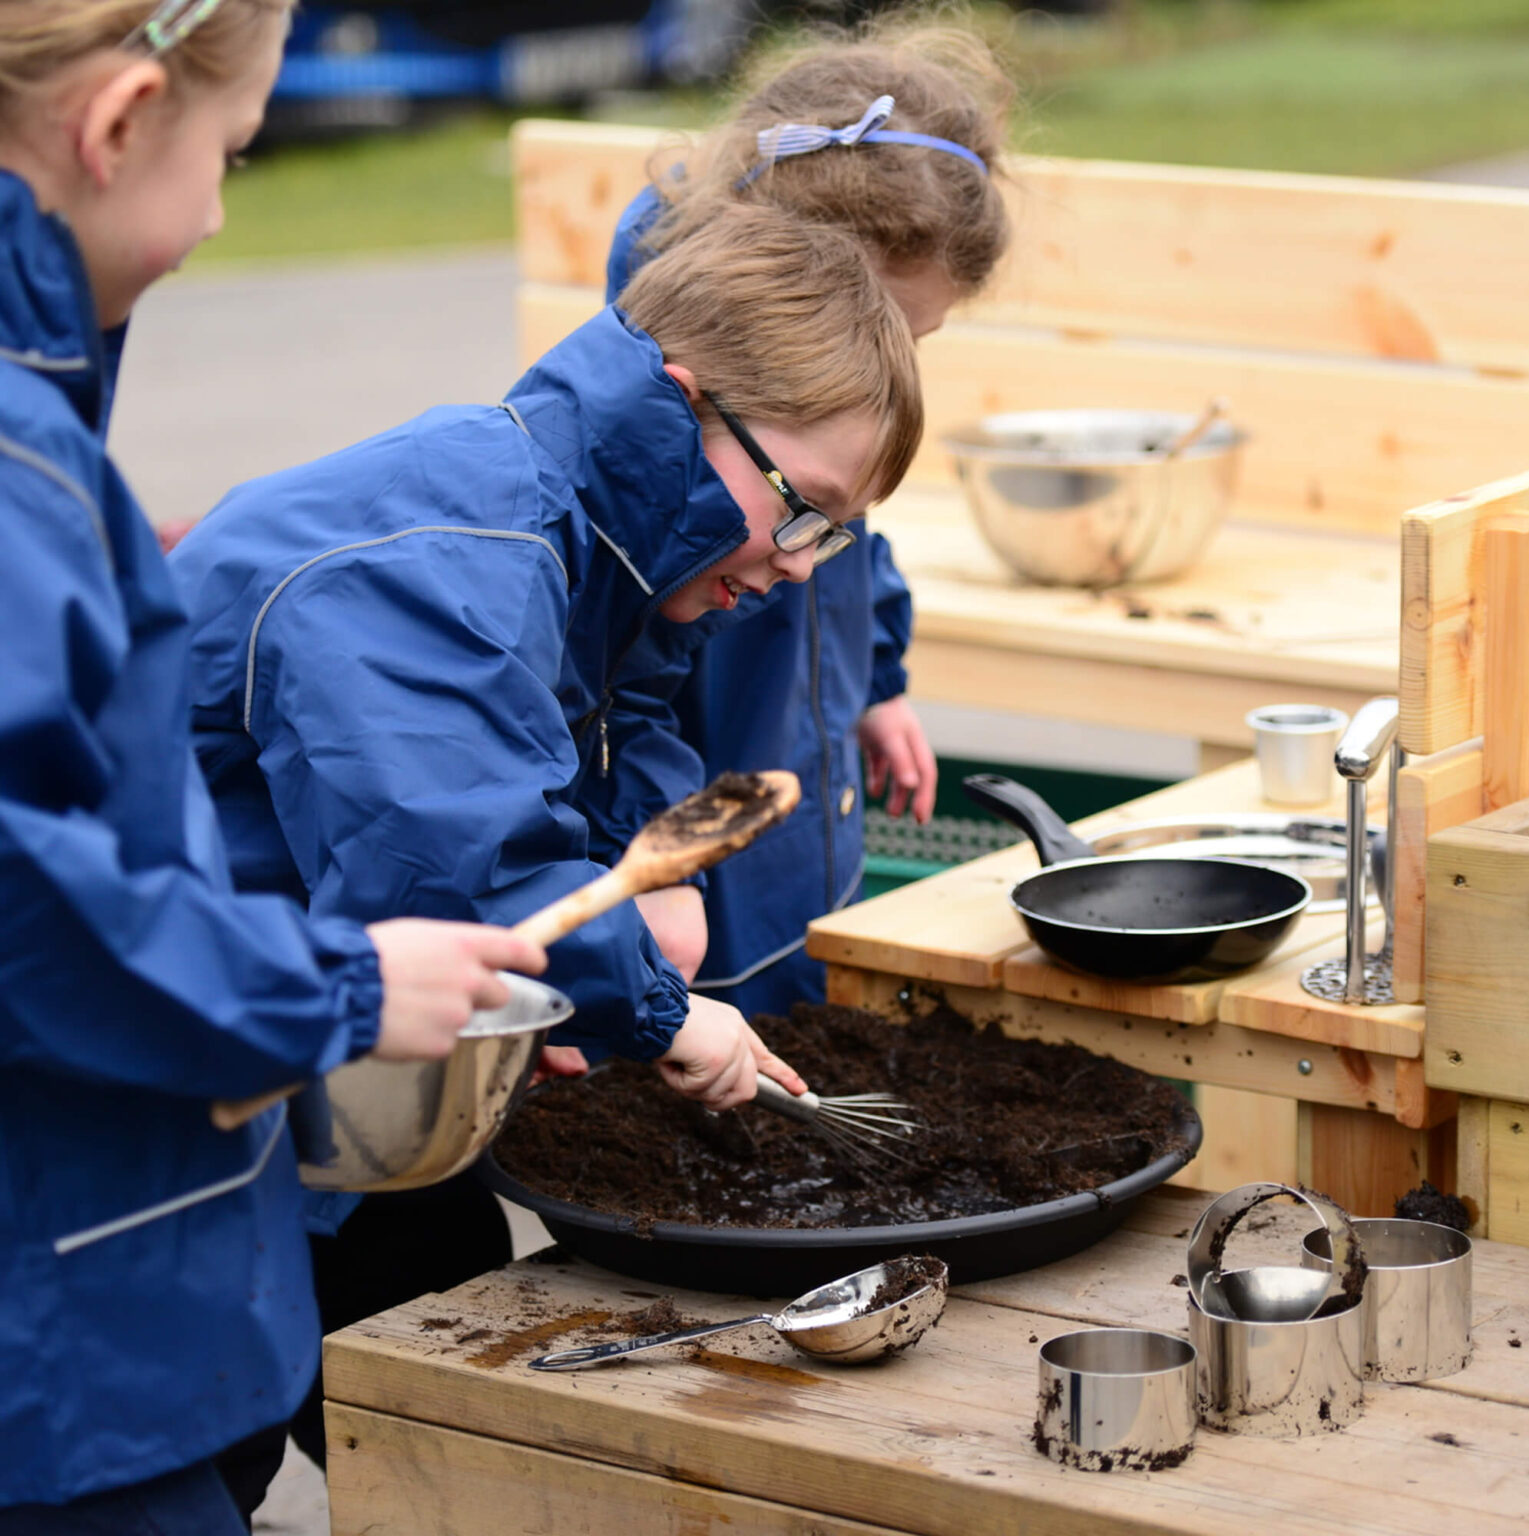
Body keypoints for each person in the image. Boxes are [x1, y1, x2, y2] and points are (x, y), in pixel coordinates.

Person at [168, 200, 923, 1464]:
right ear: (685, 408)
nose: (803, 565)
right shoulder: (444, 559)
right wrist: (663, 1014)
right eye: (805, 510)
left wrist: (645, 874)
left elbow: (623, 712)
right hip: (171, 1082)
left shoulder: (601, 536)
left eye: (834, 536)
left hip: (306, 1034)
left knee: (432, 1354)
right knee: (204, 1449)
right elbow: (451, 869)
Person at [0, 2, 551, 1530]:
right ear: (118, 124)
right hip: (58, 1354)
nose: (217, 216)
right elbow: (24, 897)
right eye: (231, 153)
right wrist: (339, 989)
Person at [603, 15, 1013, 1018]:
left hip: (806, 752)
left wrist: (876, 676)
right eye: (887, 328)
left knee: (803, 961)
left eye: (913, 341)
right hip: (702, 797)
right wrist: (657, 863)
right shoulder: (659, 440)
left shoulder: (807, 420)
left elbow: (853, 525)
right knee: (710, 996)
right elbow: (621, 695)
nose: (891, 365)